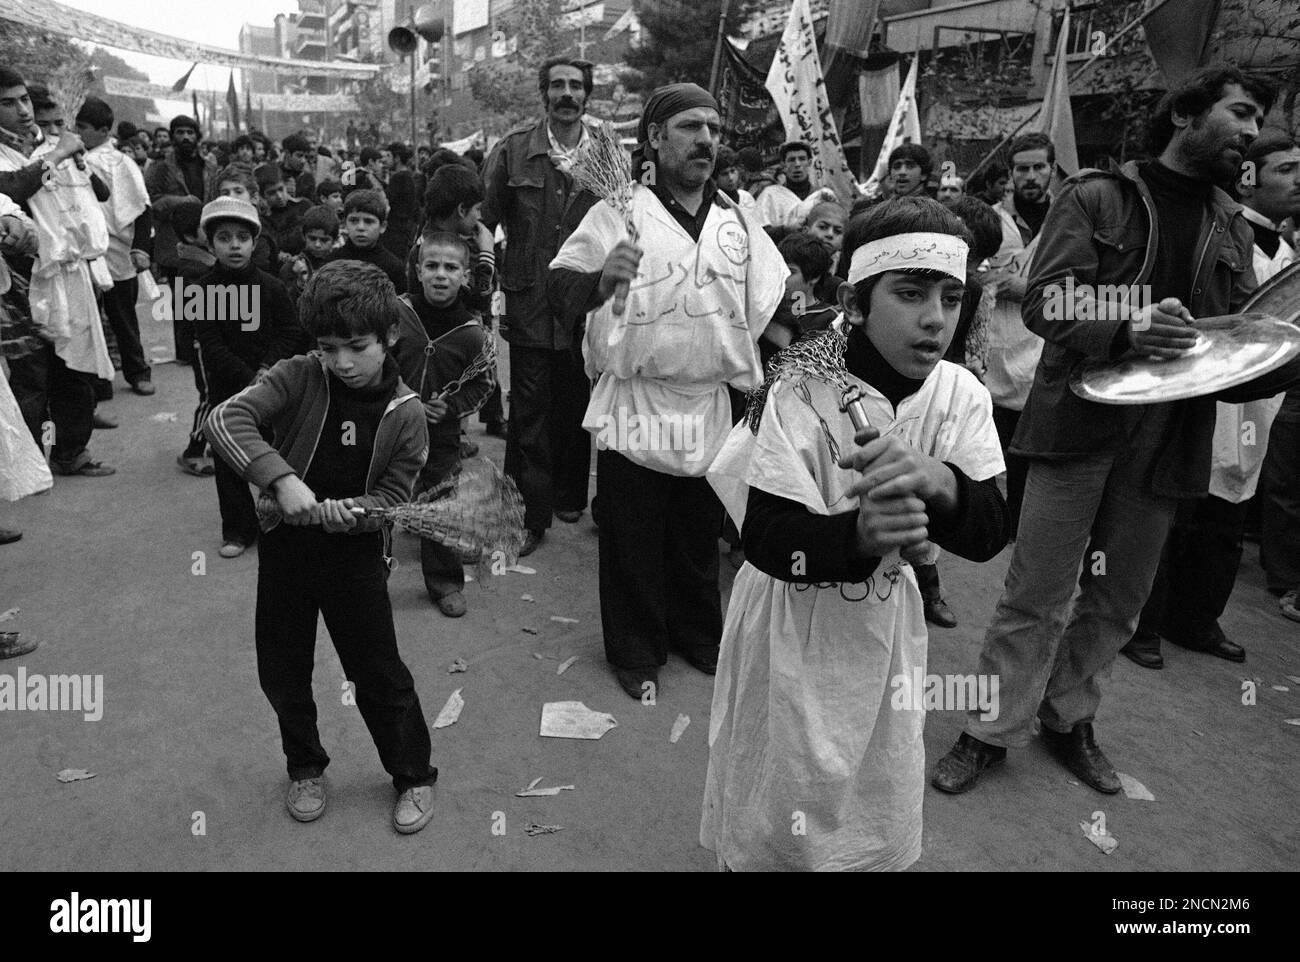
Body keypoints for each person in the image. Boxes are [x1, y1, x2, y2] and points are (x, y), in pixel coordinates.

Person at [929, 66, 1300, 797]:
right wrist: (1126, 325)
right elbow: (1043, 302)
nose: (1253, 133)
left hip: (1170, 442)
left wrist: (1284, 355)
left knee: (1119, 599)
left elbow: (1228, 348)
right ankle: (991, 728)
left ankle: (1069, 718)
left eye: (1260, 121)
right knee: (1036, 591)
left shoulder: (1230, 224)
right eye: (1242, 113)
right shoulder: (1097, 195)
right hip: (1080, 427)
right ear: (1188, 114)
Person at [701, 197, 1009, 871]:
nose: (935, 317)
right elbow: (768, 537)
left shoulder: (959, 395)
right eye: (910, 293)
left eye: (951, 297)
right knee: (778, 802)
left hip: (884, 636)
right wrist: (859, 537)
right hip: (790, 629)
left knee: (874, 802)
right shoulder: (798, 388)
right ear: (855, 299)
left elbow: (989, 529)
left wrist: (939, 479)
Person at [549, 82, 787, 699]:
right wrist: (604, 280)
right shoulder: (620, 211)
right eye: (688, 127)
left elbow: (765, 303)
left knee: (695, 532)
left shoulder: (738, 218)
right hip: (638, 399)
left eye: (712, 128)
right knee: (632, 533)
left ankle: (697, 634)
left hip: (708, 401)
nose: (705, 139)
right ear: (655, 138)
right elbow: (563, 286)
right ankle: (635, 648)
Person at [203, 260, 438, 834]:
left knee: (378, 673)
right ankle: (304, 766)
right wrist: (281, 482)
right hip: (285, 550)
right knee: (282, 668)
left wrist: (351, 513)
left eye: (357, 347)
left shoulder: (407, 416)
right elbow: (226, 420)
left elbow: (391, 498)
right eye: (329, 347)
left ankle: (412, 775)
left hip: (354, 560)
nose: (342, 363)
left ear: (389, 338)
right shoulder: (299, 375)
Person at [1124, 129, 1300, 667]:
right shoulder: (1223, 232)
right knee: (1178, 508)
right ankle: (1142, 622)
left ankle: (1197, 617)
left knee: (1229, 511)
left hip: (1258, 402)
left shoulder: (1289, 251)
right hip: (1202, 392)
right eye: (1286, 169)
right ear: (1248, 178)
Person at [482, 56, 600, 554]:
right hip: (530, 302)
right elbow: (484, 218)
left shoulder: (608, 153)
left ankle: (569, 494)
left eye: (575, 85)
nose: (566, 93)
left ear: (587, 95)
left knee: (578, 400)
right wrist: (486, 270)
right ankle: (528, 515)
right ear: (544, 93)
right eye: (557, 85)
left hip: (587, 302)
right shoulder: (513, 152)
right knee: (529, 409)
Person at [1, 75, 117, 478]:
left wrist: (74, 155)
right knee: (32, 375)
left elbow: (100, 193)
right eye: (8, 103)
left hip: (71, 273)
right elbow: (12, 189)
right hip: (22, 282)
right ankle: (35, 464)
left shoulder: (55, 143)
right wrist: (57, 155)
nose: (22, 111)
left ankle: (72, 451)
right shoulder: (5, 154)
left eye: (22, 100)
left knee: (75, 367)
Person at [192, 197, 304, 558]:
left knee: (275, 451)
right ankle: (239, 530)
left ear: (255, 242)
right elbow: (208, 342)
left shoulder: (272, 287)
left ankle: (281, 519)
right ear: (210, 244)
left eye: (242, 237)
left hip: (272, 388)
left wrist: (266, 369)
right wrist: (246, 378)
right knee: (228, 462)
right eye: (224, 238)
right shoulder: (202, 289)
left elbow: (290, 332)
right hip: (227, 390)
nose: (234, 245)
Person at [393, 230, 495, 617]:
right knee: (381, 495)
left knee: (440, 500)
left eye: (451, 267)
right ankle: (367, 575)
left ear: (465, 276)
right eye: (432, 266)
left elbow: (484, 384)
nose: (440, 275)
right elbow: (378, 362)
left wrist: (450, 406)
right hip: (391, 427)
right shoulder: (398, 313)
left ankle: (444, 581)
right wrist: (400, 395)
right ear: (418, 271)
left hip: (442, 433)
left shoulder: (473, 333)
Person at [982, 132, 1057, 536]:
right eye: (1022, 168)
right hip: (999, 350)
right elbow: (971, 270)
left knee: (1032, 449)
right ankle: (994, 522)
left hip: (1046, 345)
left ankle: (1025, 521)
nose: (1030, 176)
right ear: (1010, 173)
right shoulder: (991, 220)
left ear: (1051, 170)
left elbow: (1082, 282)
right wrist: (999, 279)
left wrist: (1027, 288)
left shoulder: (1068, 219)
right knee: (997, 443)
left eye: (1038, 167)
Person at [77, 96, 155, 397]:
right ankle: (98, 381)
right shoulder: (64, 158)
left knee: (123, 317)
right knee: (89, 321)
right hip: (84, 254)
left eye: (82, 126)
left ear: (103, 130)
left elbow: (142, 207)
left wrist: (140, 248)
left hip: (118, 253)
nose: (76, 131)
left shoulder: (119, 162)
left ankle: (137, 372)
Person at [172, 197, 219, 478]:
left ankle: (212, 442)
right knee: (210, 396)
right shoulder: (193, 270)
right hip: (201, 344)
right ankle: (193, 449)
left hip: (210, 341)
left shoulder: (204, 263)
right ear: (192, 236)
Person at [326, 188, 405, 293]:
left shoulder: (393, 268)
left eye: (368, 221)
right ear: (345, 224)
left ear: (382, 226)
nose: (360, 227)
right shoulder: (332, 263)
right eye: (354, 220)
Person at [213, 164, 281, 273]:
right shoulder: (215, 226)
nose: (231, 197)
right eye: (225, 193)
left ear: (254, 198)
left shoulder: (260, 232)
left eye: (238, 192)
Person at [755, 141, 822, 228]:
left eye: (802, 159)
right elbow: (759, 231)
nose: (797, 164)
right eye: (791, 160)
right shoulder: (770, 195)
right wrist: (785, 230)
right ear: (783, 164)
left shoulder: (821, 196)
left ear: (809, 162)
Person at [281, 205, 339, 303]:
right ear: (304, 236)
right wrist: (299, 283)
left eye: (324, 240)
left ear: (334, 240)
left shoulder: (340, 264)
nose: (317, 245)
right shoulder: (291, 267)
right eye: (312, 238)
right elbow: (285, 303)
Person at [255, 163, 309, 259]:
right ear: (262, 196)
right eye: (272, 193)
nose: (279, 196)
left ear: (285, 185)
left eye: (281, 189)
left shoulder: (303, 205)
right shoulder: (264, 220)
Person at [382, 142, 418, 260]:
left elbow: (386, 201)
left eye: (388, 156)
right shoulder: (407, 176)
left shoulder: (399, 178)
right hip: (404, 230)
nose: (384, 160)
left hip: (395, 231)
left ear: (397, 158)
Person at [714, 145, 757, 214]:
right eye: (724, 174)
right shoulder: (713, 205)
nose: (730, 178)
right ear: (715, 178)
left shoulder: (746, 197)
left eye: (732, 171)